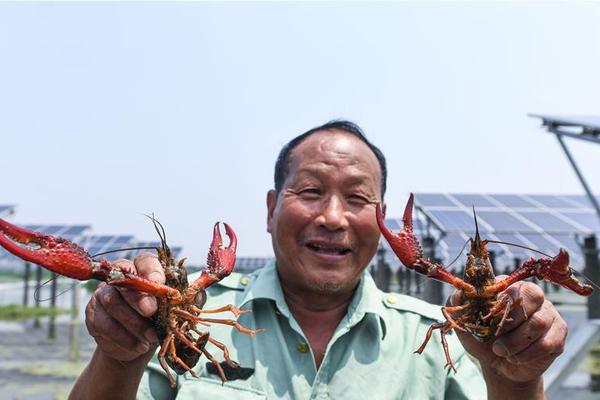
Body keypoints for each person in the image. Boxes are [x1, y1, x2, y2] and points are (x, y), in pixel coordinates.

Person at [69, 121, 568, 400]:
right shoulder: (185, 318)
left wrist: (514, 377)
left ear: (386, 225)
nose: (332, 217)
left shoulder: (445, 337)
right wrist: (119, 351)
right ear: (271, 209)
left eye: (356, 199)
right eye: (310, 191)